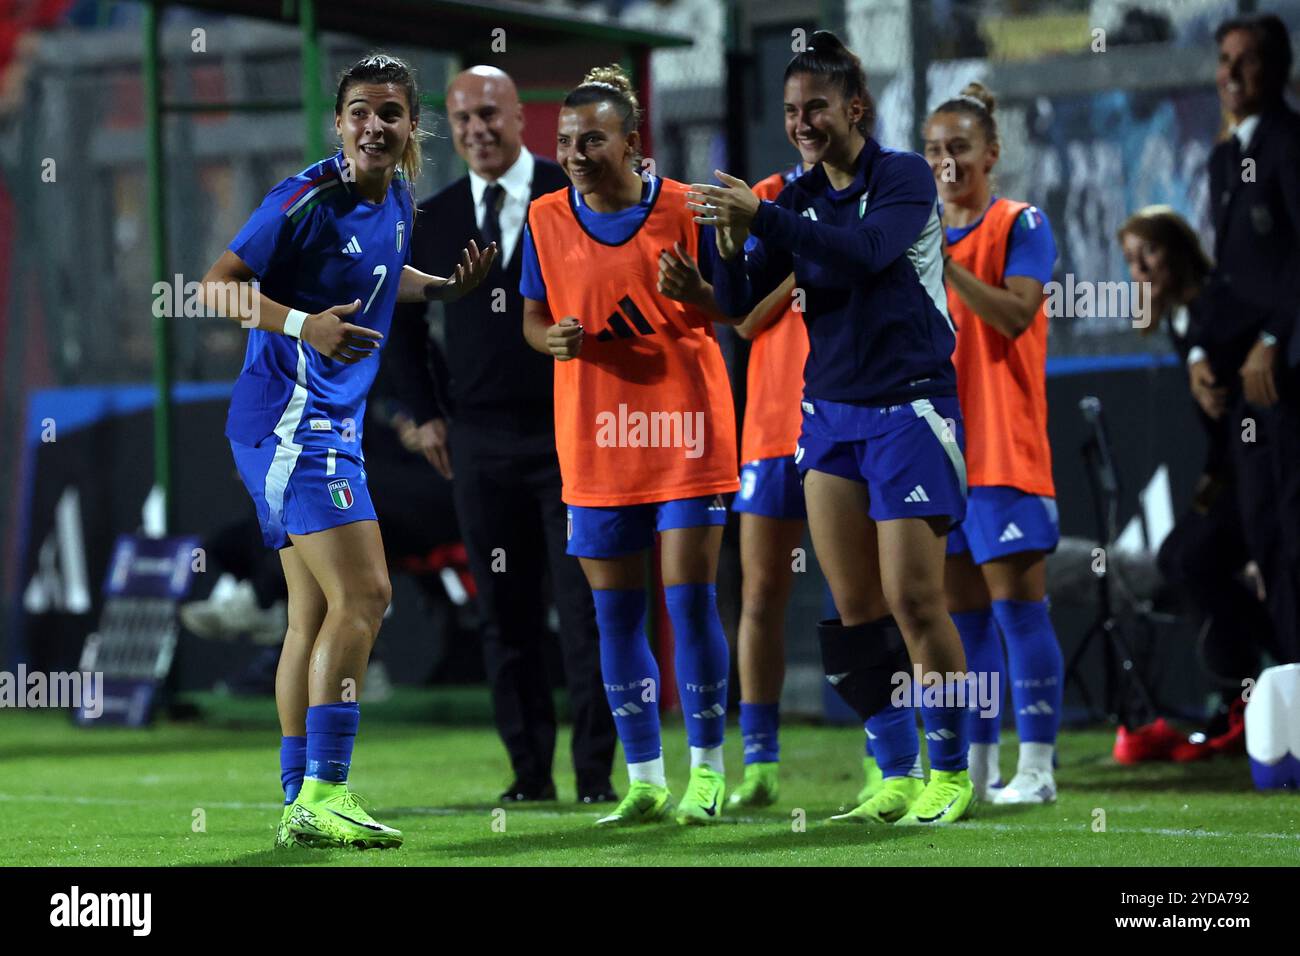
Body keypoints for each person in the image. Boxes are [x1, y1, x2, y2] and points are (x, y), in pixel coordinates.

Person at [201, 53, 495, 849]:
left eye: (390, 113)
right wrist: (306, 325)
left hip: (317, 425)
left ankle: (302, 797)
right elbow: (215, 285)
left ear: (410, 128)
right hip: (292, 424)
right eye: (360, 111)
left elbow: (382, 273)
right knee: (367, 597)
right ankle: (329, 789)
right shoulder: (306, 197)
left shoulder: (395, 195)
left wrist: (440, 290)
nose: (374, 126)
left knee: (315, 614)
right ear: (339, 122)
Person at [697, 31, 974, 826]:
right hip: (828, 413)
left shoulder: (905, 177)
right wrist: (726, 248)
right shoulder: (794, 198)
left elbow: (863, 254)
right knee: (852, 608)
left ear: (856, 107)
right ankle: (895, 770)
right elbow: (749, 293)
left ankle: (950, 770)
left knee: (915, 601)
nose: (802, 122)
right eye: (790, 111)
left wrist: (765, 220)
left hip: (912, 408)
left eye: (815, 106)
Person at [386, 65, 617, 805]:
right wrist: (424, 413)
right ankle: (529, 777)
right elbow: (402, 324)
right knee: (504, 615)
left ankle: (594, 777)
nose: (477, 130)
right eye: (461, 121)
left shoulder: (572, 193)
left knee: (587, 613)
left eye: (489, 114)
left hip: (573, 435)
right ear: (448, 131)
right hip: (480, 444)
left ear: (522, 115)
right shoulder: (435, 216)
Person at [520, 64, 740, 826]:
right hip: (596, 435)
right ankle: (645, 776)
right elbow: (533, 318)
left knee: (688, 600)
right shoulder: (545, 218)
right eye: (566, 140)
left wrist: (699, 297)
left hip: (685, 430)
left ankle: (707, 770)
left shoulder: (685, 209)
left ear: (632, 142)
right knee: (615, 617)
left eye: (593, 139)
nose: (576, 152)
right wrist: (551, 339)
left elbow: (736, 310)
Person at [923, 82, 1062, 804]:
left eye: (959, 149)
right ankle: (976, 772)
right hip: (940, 454)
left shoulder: (1020, 222)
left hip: (1005, 446)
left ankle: (1036, 768)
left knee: (1018, 610)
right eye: (935, 150)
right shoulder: (915, 234)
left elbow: (1014, 316)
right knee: (965, 621)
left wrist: (945, 264)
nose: (946, 163)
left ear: (991, 153)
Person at [1117, 205, 1279, 761]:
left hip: (1268, 467)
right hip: (1229, 471)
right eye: (1130, 261)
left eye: (1149, 254)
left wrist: (1202, 356)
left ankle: (1251, 690)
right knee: (1182, 557)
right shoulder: (1180, 320)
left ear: (1179, 248)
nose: (1140, 269)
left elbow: (1237, 327)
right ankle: (1246, 688)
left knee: (1206, 560)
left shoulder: (1217, 301)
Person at [1205, 13, 1300, 667]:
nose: (1231, 73)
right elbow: (1228, 274)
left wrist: (1275, 337)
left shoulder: (1293, 146)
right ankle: (1284, 701)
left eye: (1248, 60)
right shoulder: (1223, 158)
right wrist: (1197, 356)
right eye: (1224, 59)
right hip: (1247, 387)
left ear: (1279, 70)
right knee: (1264, 537)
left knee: (1296, 540)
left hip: (1290, 377)